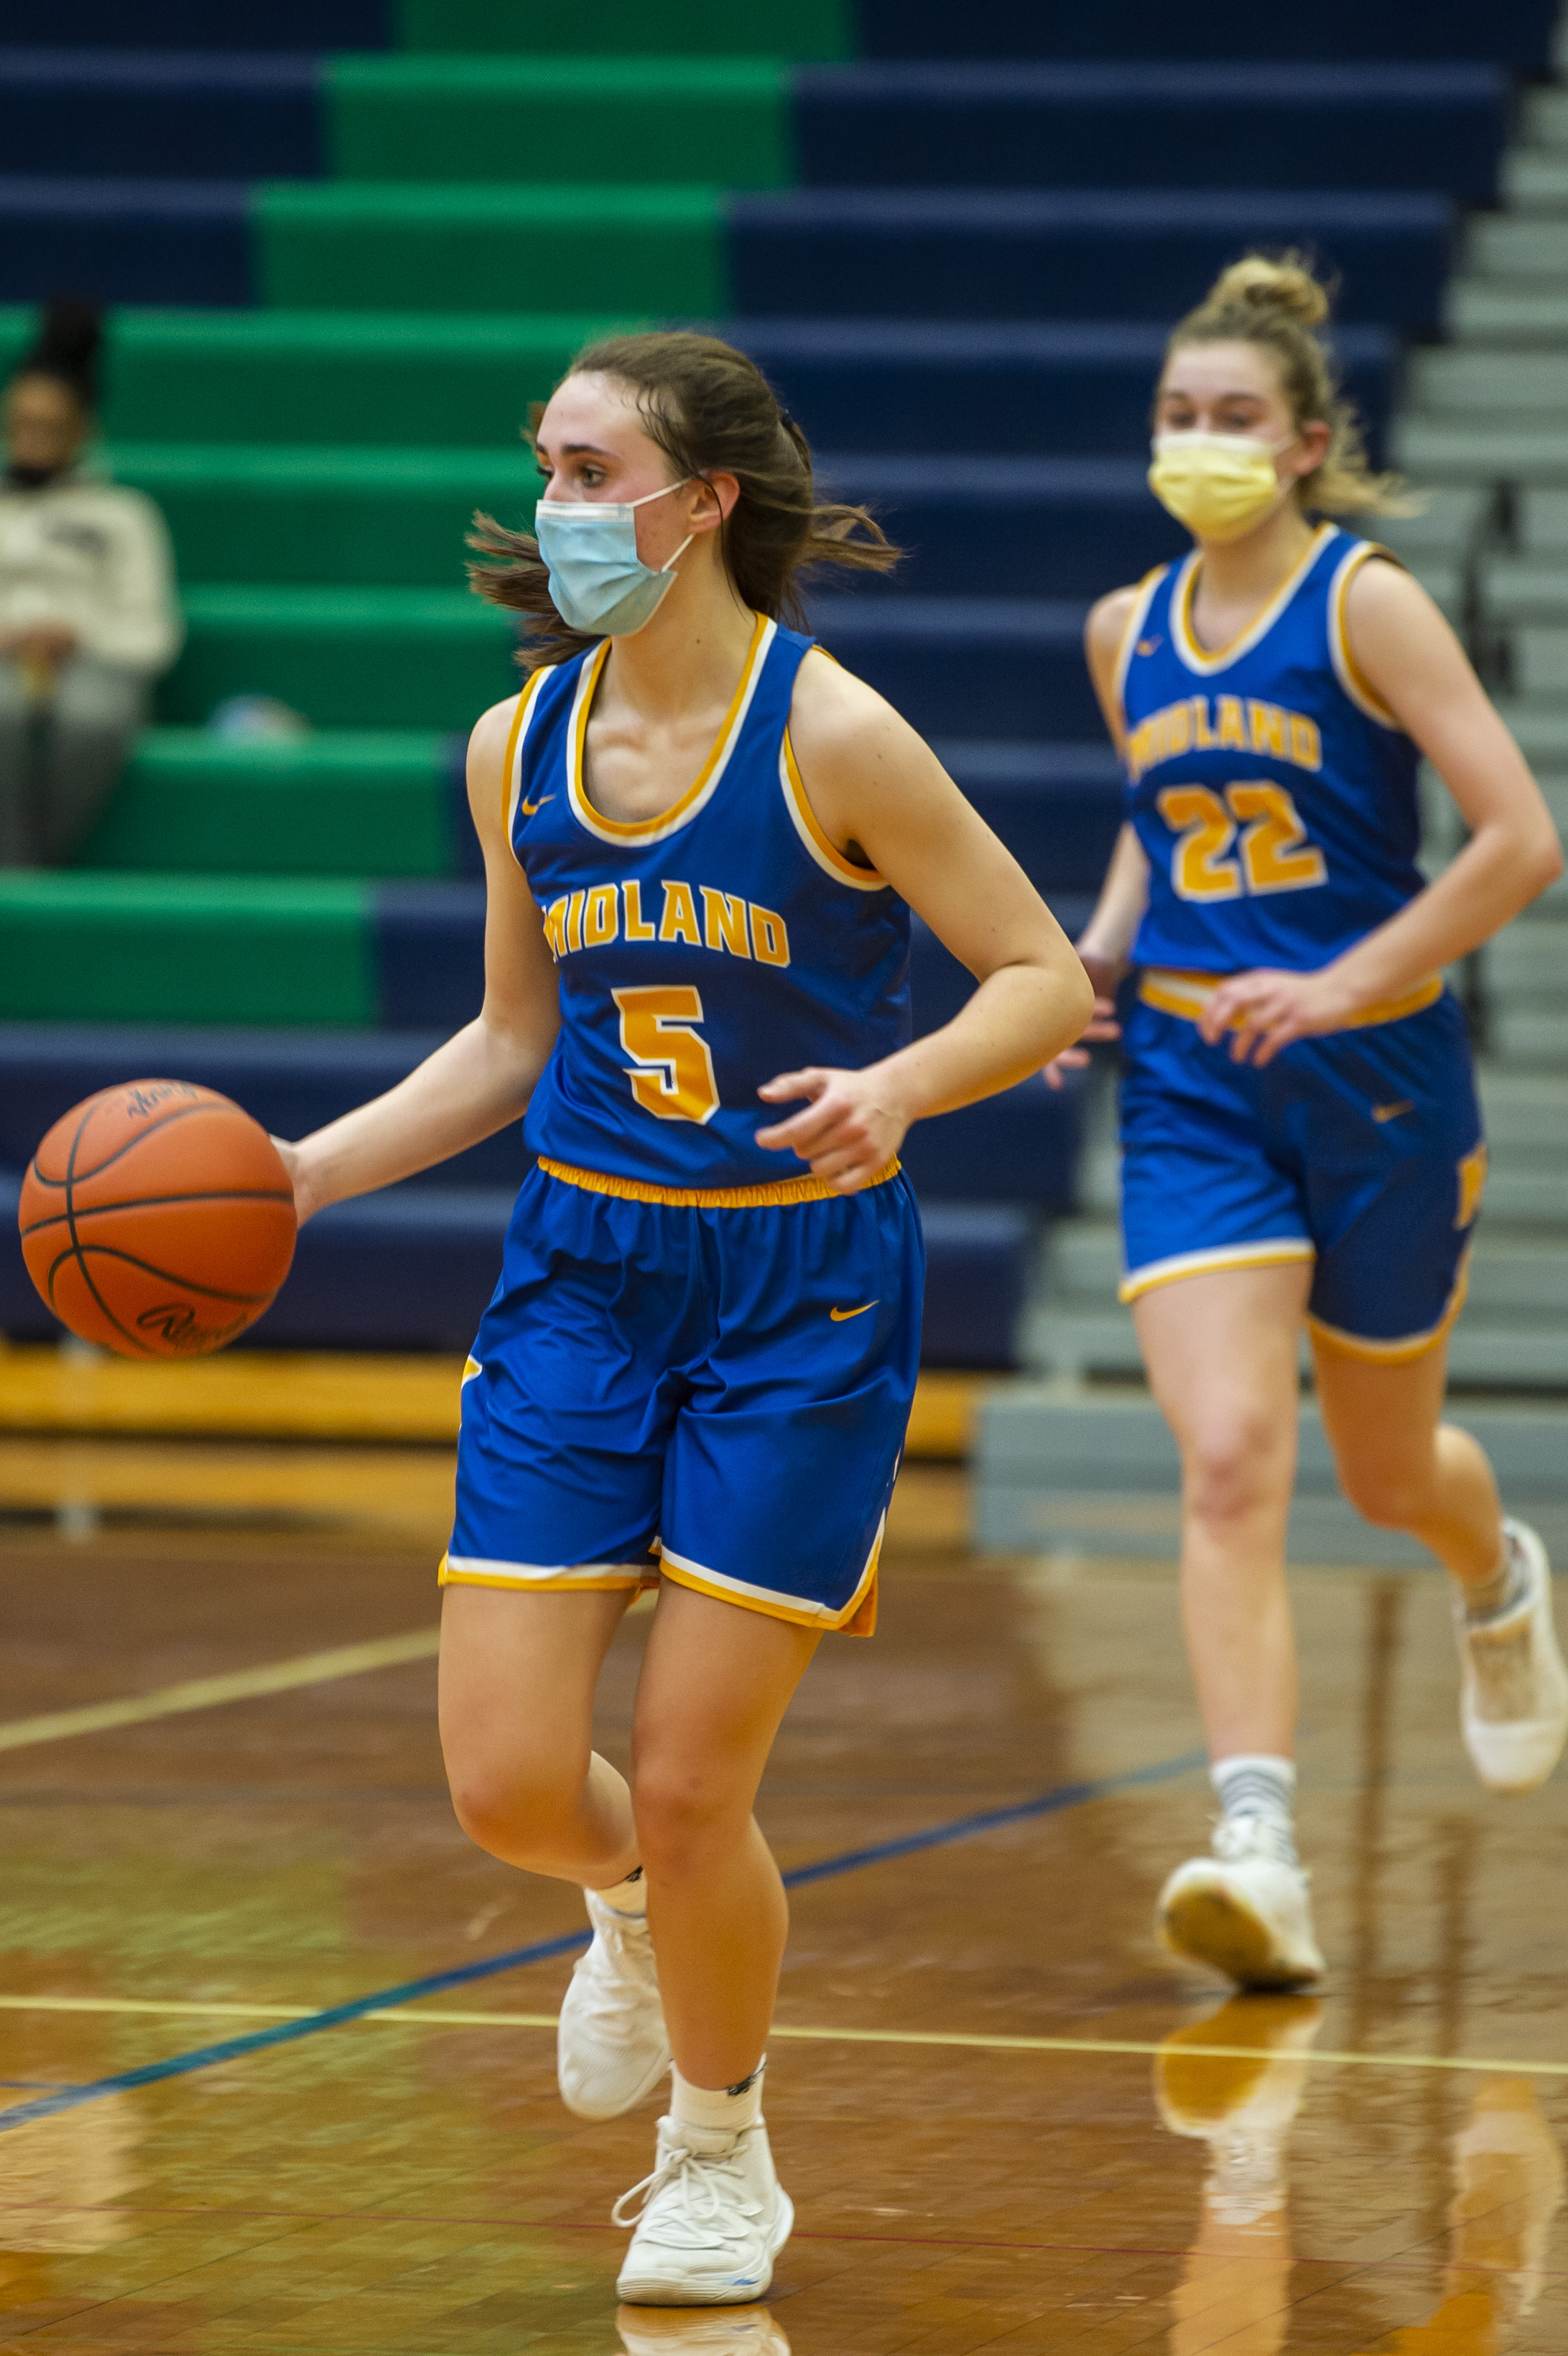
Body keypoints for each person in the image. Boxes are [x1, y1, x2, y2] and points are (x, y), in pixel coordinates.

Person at [272, 330, 1093, 2307]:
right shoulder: (517, 745)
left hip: (800, 1292)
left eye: (589, 470)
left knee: (697, 1768)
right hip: (583, 1273)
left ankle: (719, 2148)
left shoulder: (835, 736)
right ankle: (629, 1906)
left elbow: (1041, 979)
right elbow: (507, 1041)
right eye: (545, 467)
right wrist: (297, 1173)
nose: (551, 504)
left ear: (700, 500)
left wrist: (898, 1088)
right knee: (505, 1784)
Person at [1054, 254, 1568, 1990]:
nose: (1195, 438)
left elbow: (1515, 839)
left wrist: (1343, 982)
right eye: (1173, 413)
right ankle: (1255, 1844)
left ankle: (1493, 1574)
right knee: (1223, 1456)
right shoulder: (1122, 629)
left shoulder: (1366, 607)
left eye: (1231, 415)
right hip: (1194, 1078)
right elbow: (1158, 815)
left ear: (1299, 444)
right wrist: (1095, 952)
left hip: (1374, 1077)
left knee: (1380, 1469)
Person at [0, 296, 182, 867]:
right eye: (21, 425)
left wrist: (77, 635)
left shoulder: (124, 515)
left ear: (83, 430)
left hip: (91, 665)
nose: (32, 439)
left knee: (93, 719)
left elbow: (152, 633)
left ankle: (30, 870)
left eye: (50, 427)